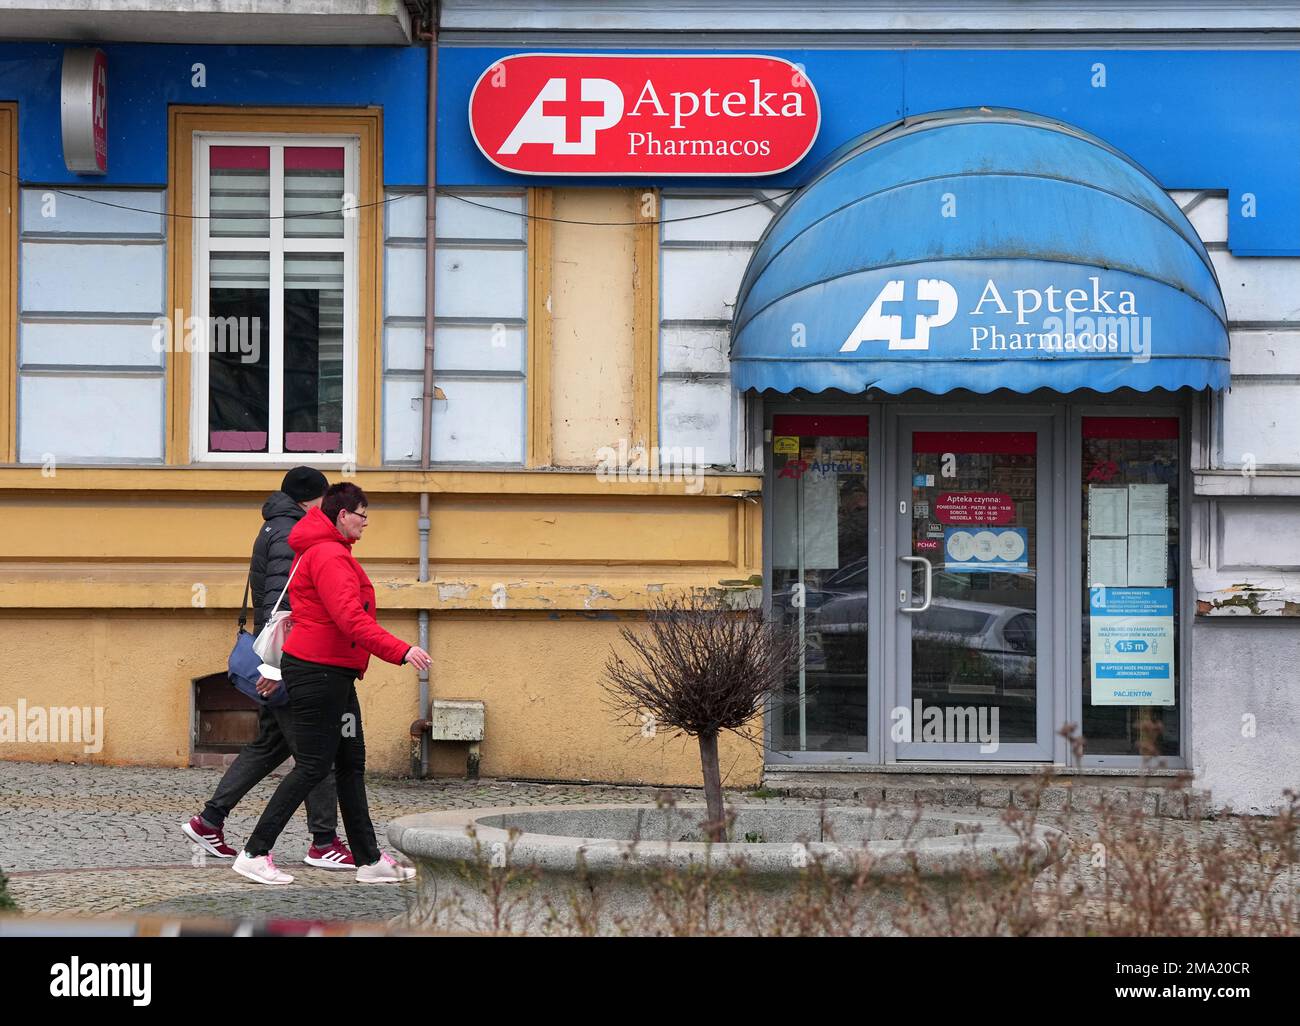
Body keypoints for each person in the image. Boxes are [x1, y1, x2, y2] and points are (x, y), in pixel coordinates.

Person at [233, 482, 433, 885]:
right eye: (362, 515)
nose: (365, 524)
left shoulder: (331, 552)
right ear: (342, 515)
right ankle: (254, 852)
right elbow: (350, 619)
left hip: (334, 674)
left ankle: (369, 860)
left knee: (349, 763)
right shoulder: (328, 555)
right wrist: (401, 649)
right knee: (312, 766)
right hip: (317, 674)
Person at [182, 467, 356, 871]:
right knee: (318, 751)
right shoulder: (292, 534)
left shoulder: (273, 527)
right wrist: (281, 667)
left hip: (277, 653)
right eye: (324, 499)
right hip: (289, 657)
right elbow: (286, 607)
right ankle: (323, 842)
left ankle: (209, 821)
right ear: (310, 500)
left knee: (270, 744)